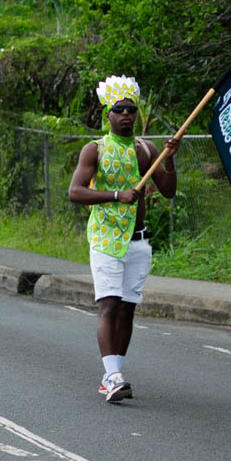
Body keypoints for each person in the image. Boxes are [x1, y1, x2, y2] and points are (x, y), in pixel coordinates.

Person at [68, 76, 179, 403]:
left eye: (132, 109)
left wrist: (169, 159)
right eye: (120, 110)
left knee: (127, 310)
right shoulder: (96, 149)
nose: (127, 115)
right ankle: (113, 375)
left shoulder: (147, 149)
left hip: (138, 241)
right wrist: (117, 194)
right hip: (105, 239)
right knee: (109, 305)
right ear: (108, 115)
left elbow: (168, 191)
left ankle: (113, 374)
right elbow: (75, 192)